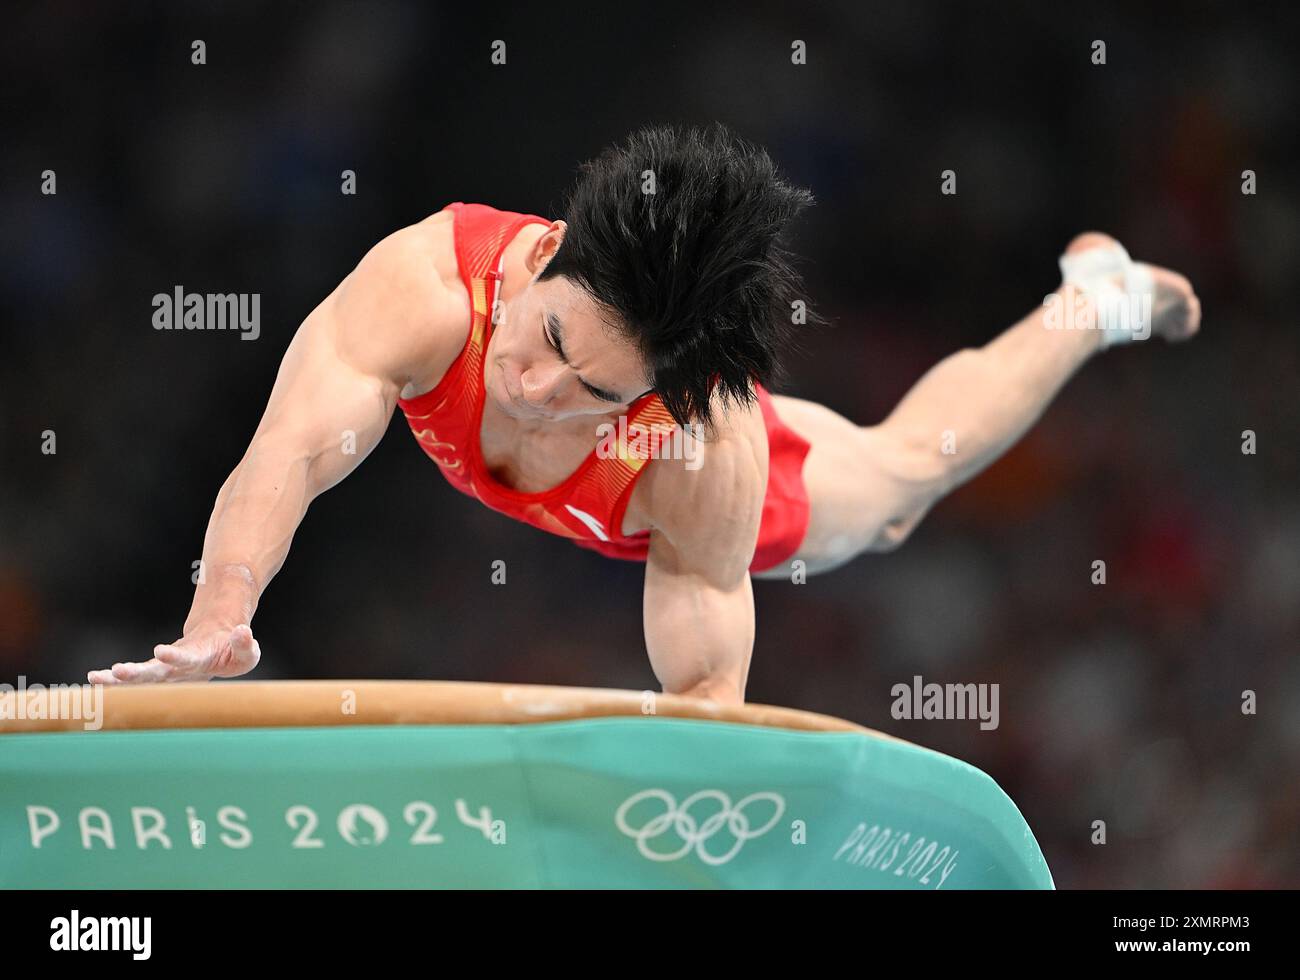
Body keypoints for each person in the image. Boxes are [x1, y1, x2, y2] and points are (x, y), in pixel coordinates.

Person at [87, 124, 1201, 703]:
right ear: (545, 257)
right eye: (554, 339)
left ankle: (1090, 302)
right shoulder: (425, 288)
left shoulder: (700, 448)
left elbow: (706, 685)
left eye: (597, 391)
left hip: (696, 491)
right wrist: (215, 618)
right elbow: (285, 451)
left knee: (900, 484)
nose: (536, 388)